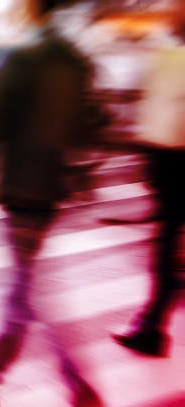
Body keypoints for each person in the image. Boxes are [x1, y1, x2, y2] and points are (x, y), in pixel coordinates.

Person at [0, 0, 117, 407]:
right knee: (24, 290)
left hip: (23, 188)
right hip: (53, 191)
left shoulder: (22, 60)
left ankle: (83, 398)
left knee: (33, 297)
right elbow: (93, 125)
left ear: (30, 7)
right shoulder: (76, 60)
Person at [112, 4, 185, 357]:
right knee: (166, 247)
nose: (171, 11)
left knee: (166, 248)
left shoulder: (173, 58)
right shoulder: (169, 54)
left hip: (174, 161)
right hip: (169, 162)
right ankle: (152, 323)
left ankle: (153, 325)